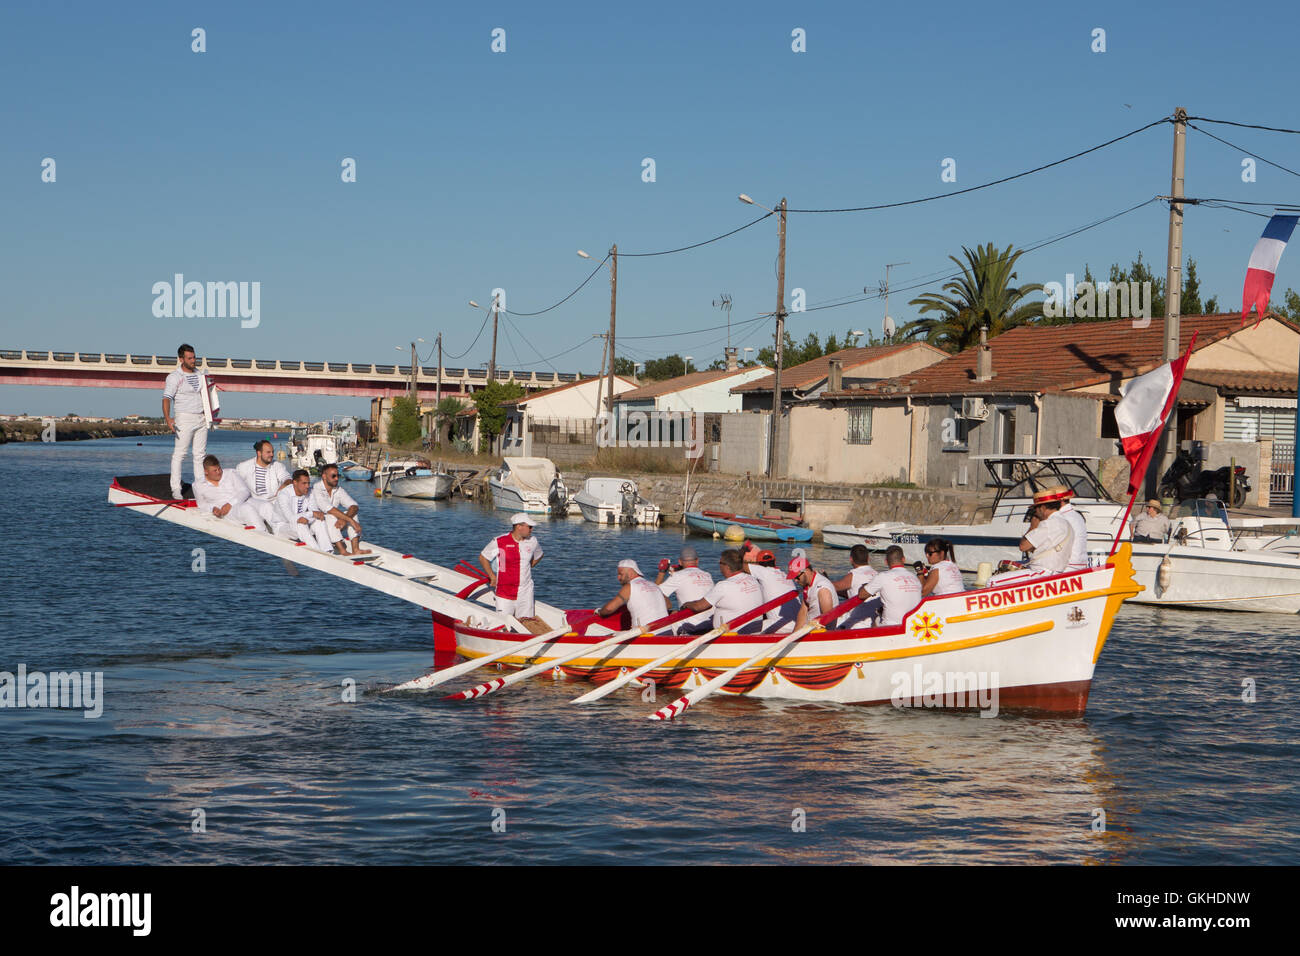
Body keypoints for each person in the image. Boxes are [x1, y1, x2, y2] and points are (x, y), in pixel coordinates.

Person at [988, 488, 1074, 585]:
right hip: (1056, 572)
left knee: (992, 581)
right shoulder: (1066, 523)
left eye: (1035, 509)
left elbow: (1023, 546)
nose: (1035, 512)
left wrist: (1033, 526)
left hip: (1042, 572)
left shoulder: (1048, 524)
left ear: (1042, 508)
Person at [162, 344, 208, 500]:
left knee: (199, 455)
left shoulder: (200, 374)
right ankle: (176, 488)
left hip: (201, 418)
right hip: (184, 418)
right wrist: (168, 418)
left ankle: (200, 489)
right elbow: (166, 399)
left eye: (194, 357)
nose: (193, 360)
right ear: (181, 359)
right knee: (180, 454)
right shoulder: (174, 377)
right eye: (190, 358)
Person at [682, 549, 764, 634]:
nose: (719, 566)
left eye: (720, 563)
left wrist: (686, 605)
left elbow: (699, 607)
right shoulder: (752, 579)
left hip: (731, 636)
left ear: (727, 566)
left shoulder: (724, 586)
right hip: (754, 631)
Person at [479, 513, 544, 618]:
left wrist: (527, 566)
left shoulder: (532, 541)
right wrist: (492, 576)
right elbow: (483, 558)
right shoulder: (500, 541)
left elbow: (539, 555)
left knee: (526, 625)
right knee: (504, 625)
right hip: (504, 592)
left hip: (525, 593)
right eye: (530, 527)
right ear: (519, 527)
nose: (531, 530)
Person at [311, 462, 370, 556]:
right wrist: (349, 520)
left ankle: (356, 549)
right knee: (330, 516)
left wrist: (345, 519)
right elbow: (328, 509)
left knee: (351, 513)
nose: (337, 478)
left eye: (338, 475)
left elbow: (354, 505)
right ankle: (343, 551)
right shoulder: (316, 489)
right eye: (333, 476)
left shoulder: (338, 489)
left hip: (333, 525)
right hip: (316, 526)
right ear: (324, 476)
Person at [596, 559, 670, 631]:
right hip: (667, 632)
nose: (618, 578)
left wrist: (600, 612)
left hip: (647, 635)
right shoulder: (653, 585)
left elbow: (609, 609)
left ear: (631, 572)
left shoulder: (629, 587)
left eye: (620, 574)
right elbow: (668, 605)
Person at [859, 545, 923, 626]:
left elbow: (862, 595)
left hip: (892, 627)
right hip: (913, 625)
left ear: (886, 561)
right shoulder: (915, 578)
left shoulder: (883, 576)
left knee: (875, 618)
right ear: (903, 559)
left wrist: (863, 586)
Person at [236, 439, 293, 530]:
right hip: (254, 503)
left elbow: (287, 478)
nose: (272, 454)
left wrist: (285, 484)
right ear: (259, 453)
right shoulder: (243, 467)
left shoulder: (277, 466)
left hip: (273, 502)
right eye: (268, 452)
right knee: (266, 508)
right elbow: (236, 485)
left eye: (272, 452)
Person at [656, 545, 714, 634]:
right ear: (697, 560)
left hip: (690, 626)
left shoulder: (677, 576)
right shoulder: (707, 575)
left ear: (680, 562)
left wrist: (662, 572)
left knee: (667, 614)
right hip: (710, 623)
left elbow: (655, 593)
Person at [742, 544, 800, 632]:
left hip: (780, 624)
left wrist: (743, 554)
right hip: (799, 624)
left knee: (744, 628)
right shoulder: (785, 575)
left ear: (758, 564)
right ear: (775, 562)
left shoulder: (763, 571)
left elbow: (740, 566)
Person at [273, 469, 333, 552]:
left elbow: (315, 512)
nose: (307, 486)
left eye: (308, 483)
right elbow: (291, 518)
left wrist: (311, 515)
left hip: (302, 524)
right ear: (295, 482)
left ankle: (328, 550)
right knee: (300, 525)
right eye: (304, 483)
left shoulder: (310, 492)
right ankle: (316, 552)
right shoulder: (283, 495)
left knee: (319, 521)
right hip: (283, 527)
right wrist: (311, 514)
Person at [192, 455, 261, 526]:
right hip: (227, 511)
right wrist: (212, 509)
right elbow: (202, 505)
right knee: (246, 509)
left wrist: (230, 504)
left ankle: (273, 533)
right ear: (206, 472)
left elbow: (245, 491)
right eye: (214, 471)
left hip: (243, 501)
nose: (218, 472)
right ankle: (262, 534)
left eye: (219, 468)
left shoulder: (231, 473)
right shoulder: (197, 485)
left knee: (266, 506)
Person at [787, 556, 838, 629]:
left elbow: (829, 622)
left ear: (806, 571)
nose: (795, 580)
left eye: (797, 577)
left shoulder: (822, 589)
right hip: (809, 629)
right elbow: (803, 612)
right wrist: (794, 634)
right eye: (794, 578)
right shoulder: (807, 585)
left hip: (818, 634)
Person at [1054, 486, 1091, 571]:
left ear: (1060, 501)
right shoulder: (1076, 515)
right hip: (1081, 563)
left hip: (1067, 566)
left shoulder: (1062, 517)